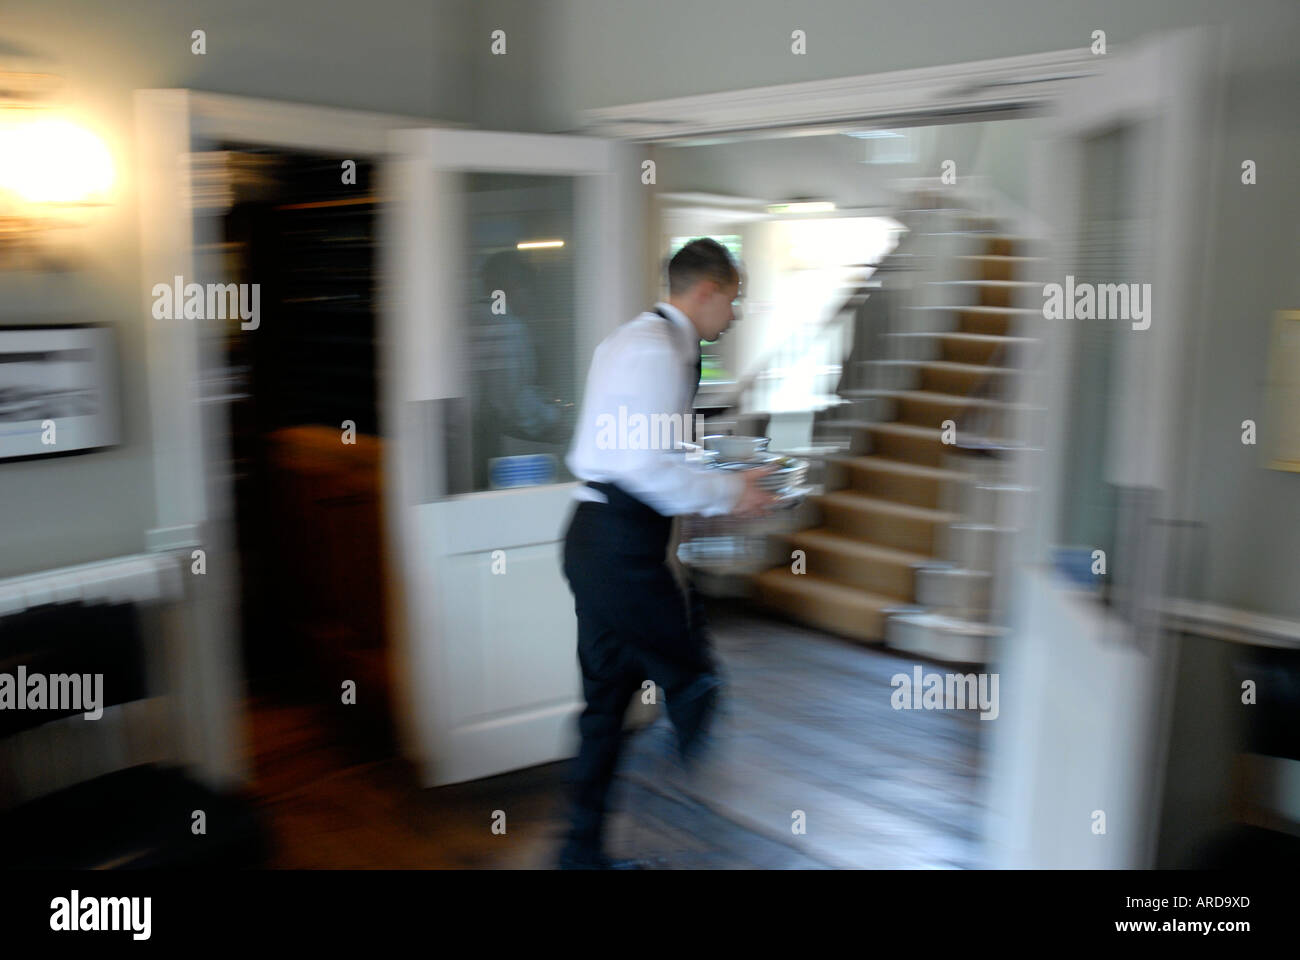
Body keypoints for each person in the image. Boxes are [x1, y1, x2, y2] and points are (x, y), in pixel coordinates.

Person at [556, 238, 774, 869]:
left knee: (606, 707)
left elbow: (649, 456)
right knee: (693, 679)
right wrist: (730, 492)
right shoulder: (654, 353)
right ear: (705, 291)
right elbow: (643, 468)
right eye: (732, 301)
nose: (734, 315)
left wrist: (717, 485)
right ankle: (703, 833)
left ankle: (579, 854)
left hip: (604, 543)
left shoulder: (640, 343)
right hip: (617, 549)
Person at [469, 251, 573, 488]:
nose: (531, 299)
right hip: (489, 443)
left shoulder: (468, 318)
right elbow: (512, 404)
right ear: (511, 288)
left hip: (467, 441)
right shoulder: (507, 327)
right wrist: (555, 415)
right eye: (528, 289)